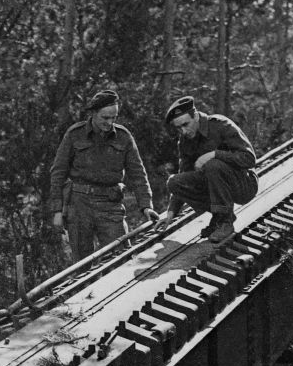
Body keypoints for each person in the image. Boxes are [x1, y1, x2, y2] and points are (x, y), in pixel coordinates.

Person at [48, 89, 159, 260]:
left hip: (110, 204)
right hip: (79, 205)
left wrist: (146, 206)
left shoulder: (123, 137)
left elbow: (138, 174)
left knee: (120, 258)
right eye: (105, 118)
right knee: (82, 265)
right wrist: (57, 211)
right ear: (93, 114)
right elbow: (58, 173)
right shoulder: (74, 134)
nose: (109, 122)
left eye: (113, 118)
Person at [157, 95, 259, 243]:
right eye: (179, 128)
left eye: (186, 124)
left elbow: (249, 159)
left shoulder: (220, 125)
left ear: (196, 116)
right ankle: (219, 218)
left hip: (244, 184)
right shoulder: (185, 141)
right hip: (216, 185)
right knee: (174, 182)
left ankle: (225, 222)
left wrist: (214, 154)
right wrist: (171, 213)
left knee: (213, 165)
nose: (183, 131)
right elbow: (184, 175)